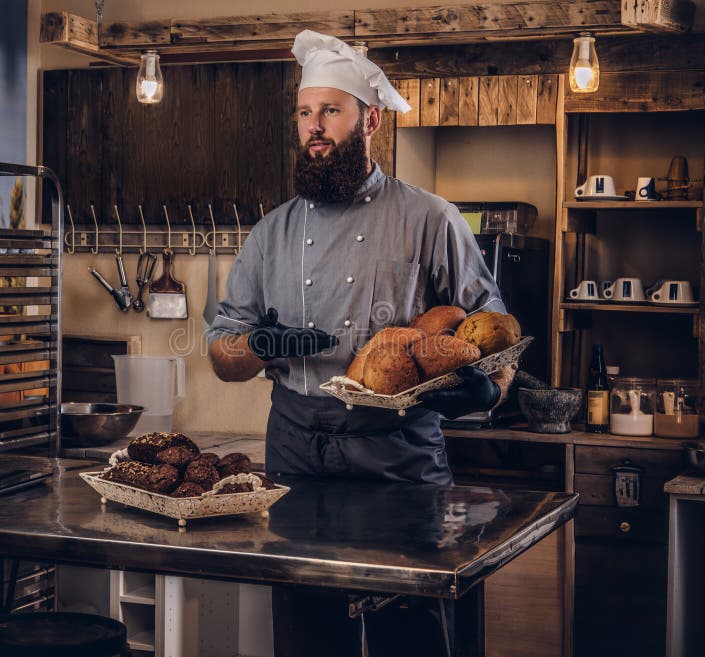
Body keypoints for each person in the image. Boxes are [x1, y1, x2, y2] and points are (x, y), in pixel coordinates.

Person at [207, 29, 514, 657]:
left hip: (399, 463)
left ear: (370, 119)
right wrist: (264, 344)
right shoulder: (271, 233)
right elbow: (220, 354)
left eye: (330, 111)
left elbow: (495, 330)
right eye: (304, 113)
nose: (314, 127)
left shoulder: (430, 218)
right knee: (307, 638)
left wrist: (486, 388)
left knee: (415, 636)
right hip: (297, 464)